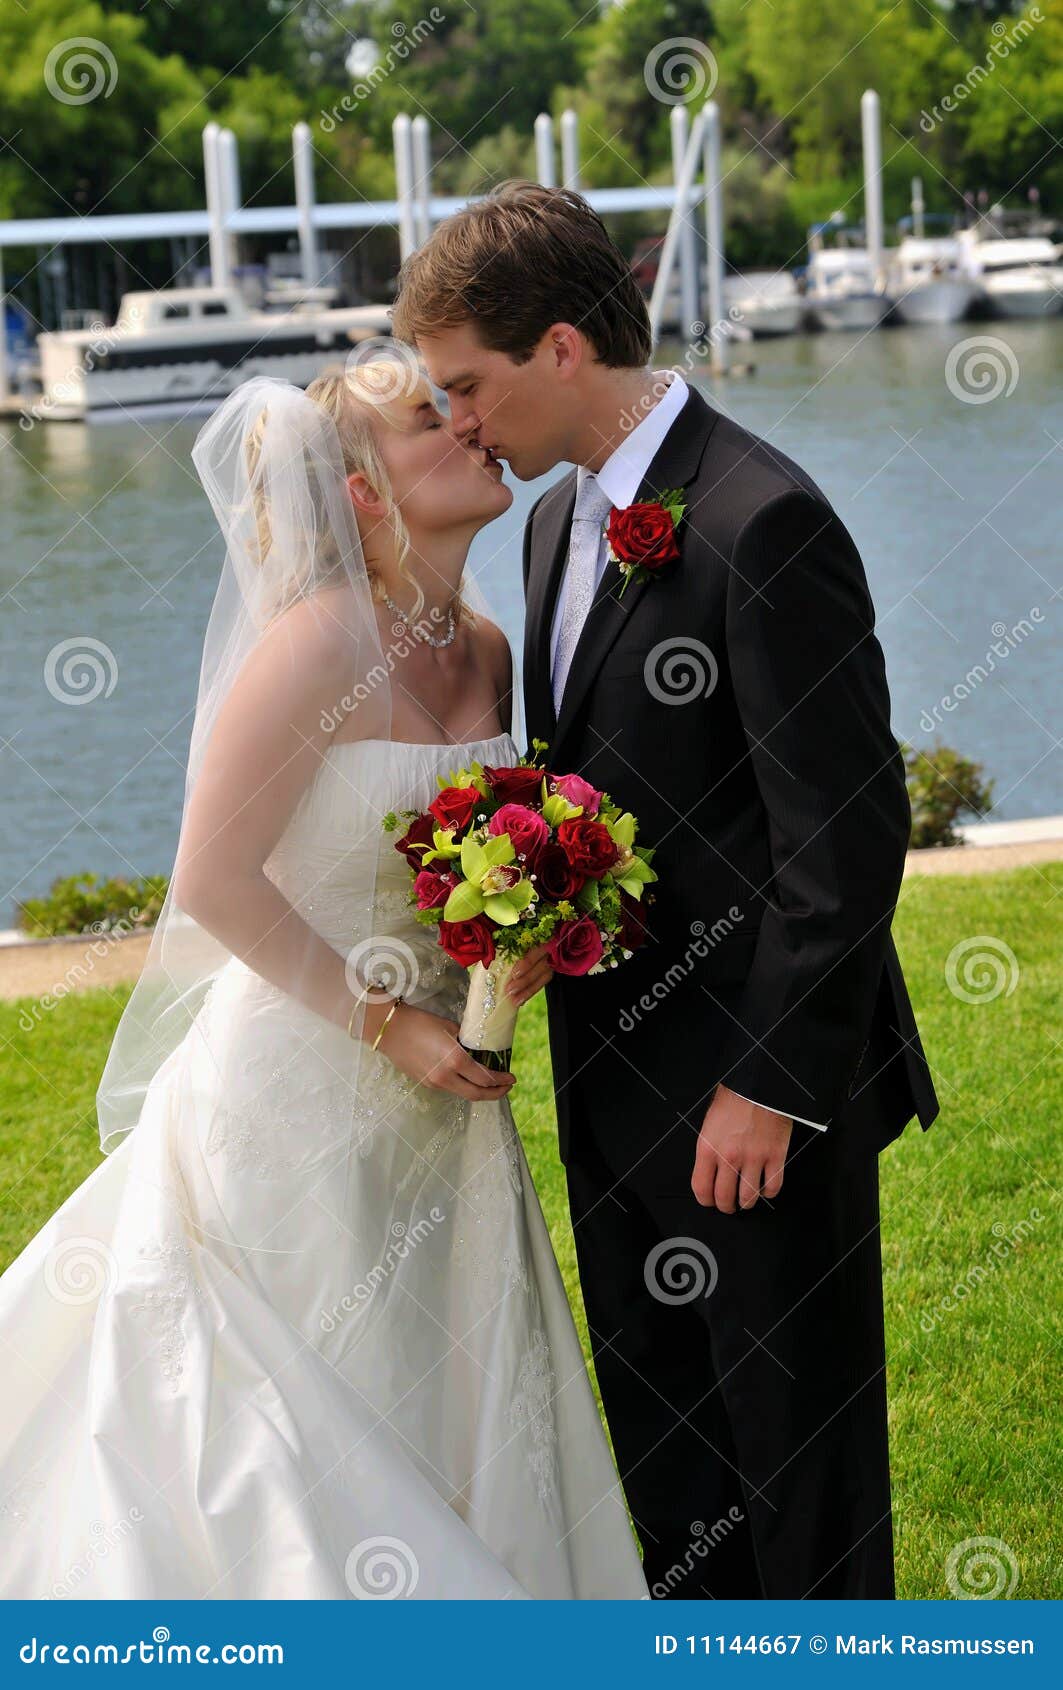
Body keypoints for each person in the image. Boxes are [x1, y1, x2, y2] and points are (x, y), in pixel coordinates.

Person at [0, 367, 648, 1601]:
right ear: (360, 492)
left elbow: (467, 862)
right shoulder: (315, 645)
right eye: (428, 419)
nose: (469, 424)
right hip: (298, 1086)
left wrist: (519, 945)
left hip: (449, 1096)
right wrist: (384, 1021)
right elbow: (212, 876)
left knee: (452, 1383)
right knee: (301, 1407)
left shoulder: (487, 649)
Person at [395, 181, 940, 1599]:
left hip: (759, 1102)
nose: (457, 420)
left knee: (800, 1486)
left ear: (561, 348)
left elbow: (844, 839)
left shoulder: (764, 518)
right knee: (674, 1478)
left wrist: (768, 1086)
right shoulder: (546, 529)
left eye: (468, 385)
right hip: (614, 1091)